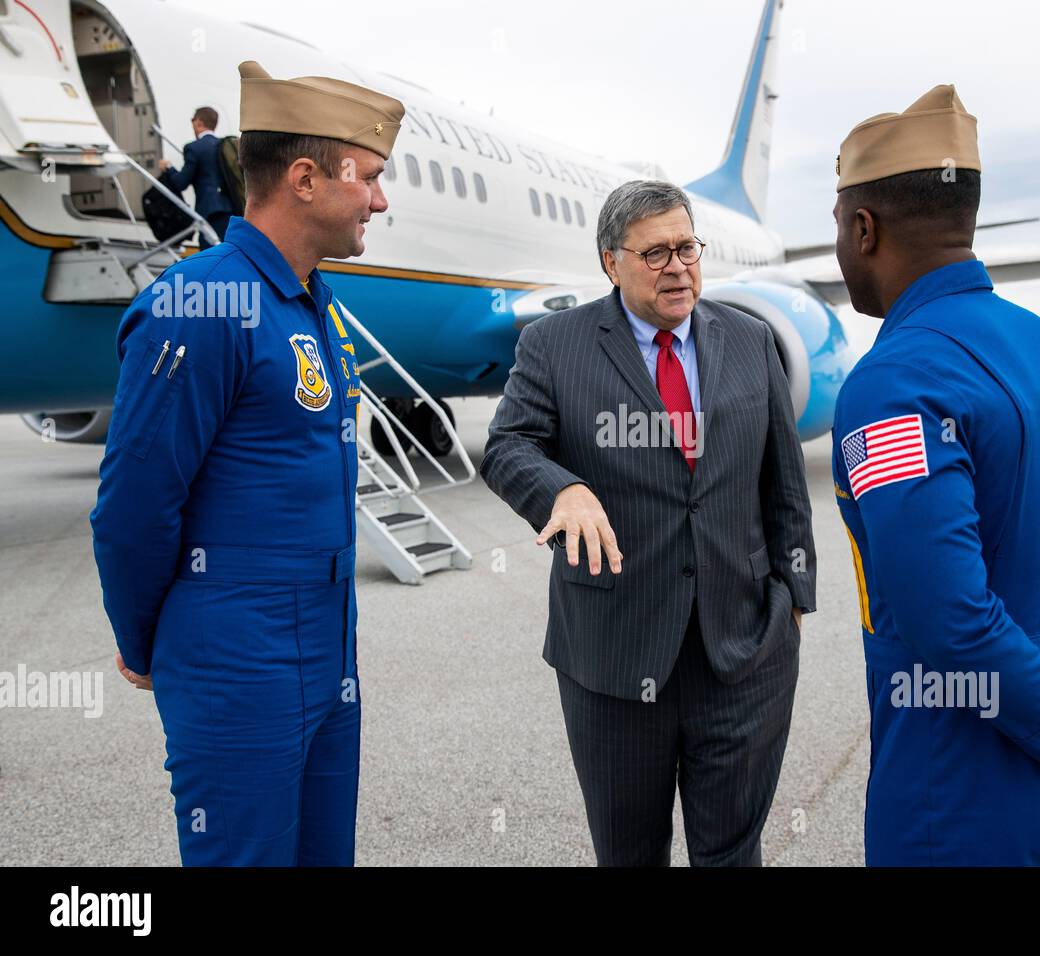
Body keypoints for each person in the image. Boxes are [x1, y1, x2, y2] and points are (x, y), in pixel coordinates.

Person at [829, 85, 1040, 865]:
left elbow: (944, 614)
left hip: (953, 781)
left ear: (863, 227)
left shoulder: (893, 384)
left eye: (839, 231)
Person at [89, 61, 403, 865]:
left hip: (330, 646)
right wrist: (146, 642)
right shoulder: (202, 301)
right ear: (304, 178)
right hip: (237, 657)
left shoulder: (308, 297)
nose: (380, 198)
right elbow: (133, 505)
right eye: (367, 177)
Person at [480, 180, 816, 866]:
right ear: (612, 262)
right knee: (629, 853)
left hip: (741, 651)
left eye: (687, 248)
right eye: (656, 253)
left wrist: (792, 601)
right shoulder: (556, 345)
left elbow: (783, 482)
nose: (679, 266)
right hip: (614, 654)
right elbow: (508, 446)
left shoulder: (750, 342)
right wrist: (561, 491)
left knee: (732, 853)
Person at [158, 106, 235, 248]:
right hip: (229, 209)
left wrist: (169, 168)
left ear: (199, 122)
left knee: (208, 252)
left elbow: (181, 182)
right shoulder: (224, 146)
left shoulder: (194, 148)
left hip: (208, 210)